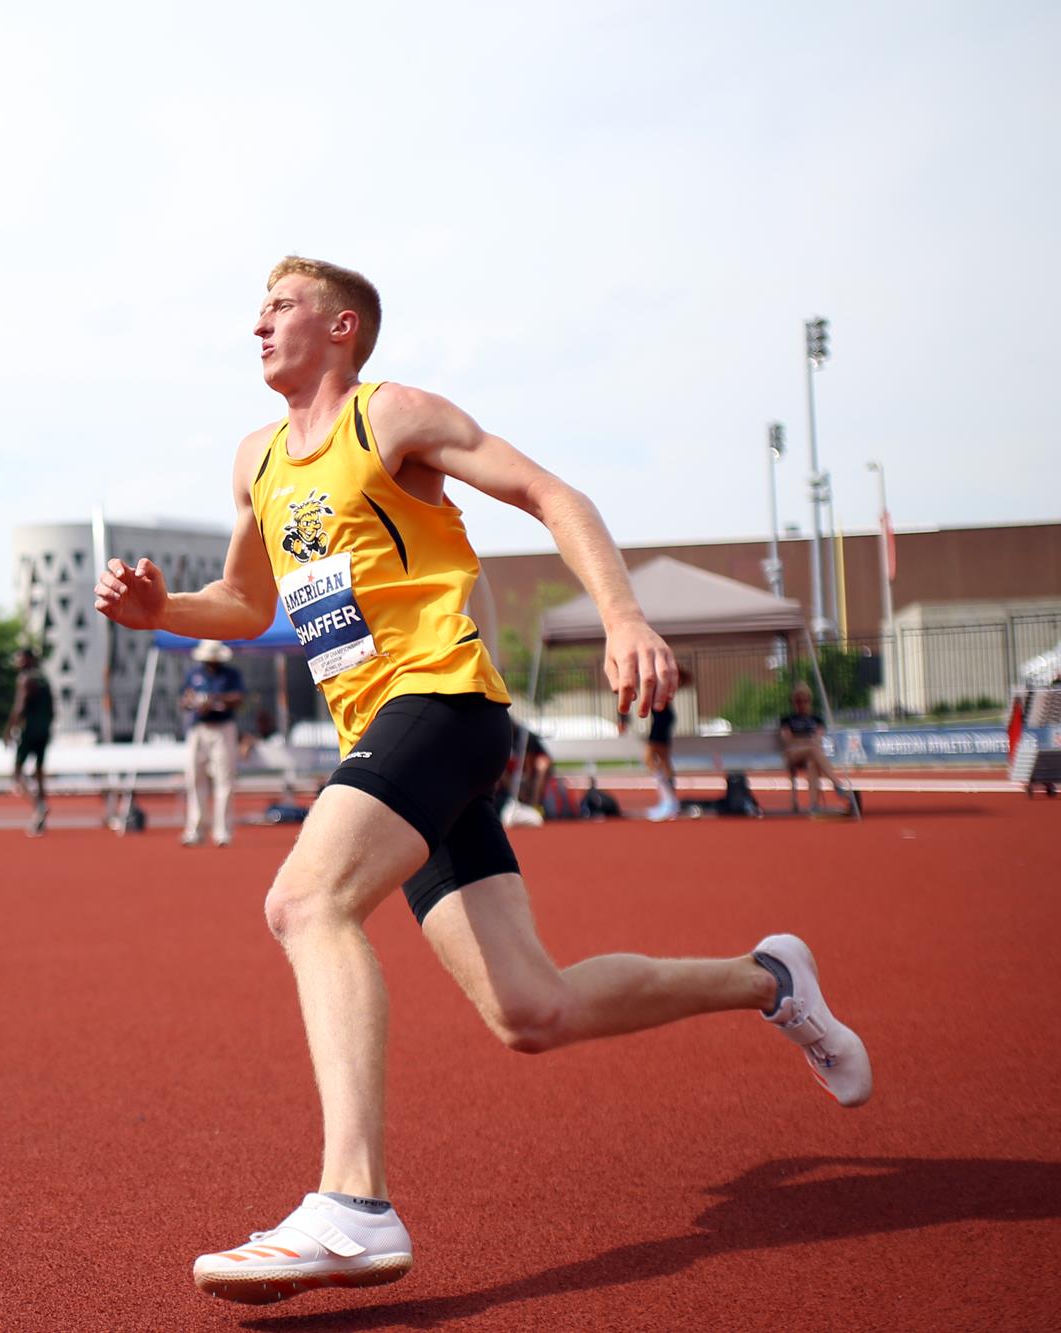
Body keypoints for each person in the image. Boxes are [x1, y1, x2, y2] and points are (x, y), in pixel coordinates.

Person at [94, 256, 873, 1305]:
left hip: (443, 703)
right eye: (255, 309)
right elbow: (241, 602)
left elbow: (552, 493)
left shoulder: (395, 417)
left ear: (341, 326)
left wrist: (625, 616)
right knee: (531, 1010)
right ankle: (769, 980)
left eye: (277, 307)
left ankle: (353, 1204)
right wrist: (160, 616)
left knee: (303, 900)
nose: (256, 325)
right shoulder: (255, 462)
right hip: (380, 729)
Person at [180, 640, 245, 846]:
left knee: (223, 780)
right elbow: (184, 698)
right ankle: (195, 829)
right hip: (199, 728)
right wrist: (194, 702)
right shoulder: (194, 674)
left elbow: (239, 697)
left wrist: (215, 699)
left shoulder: (230, 675)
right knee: (194, 779)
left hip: (222, 728)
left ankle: (222, 831)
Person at [621, 664, 690, 821]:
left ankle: (669, 801)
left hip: (662, 718)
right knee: (663, 761)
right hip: (661, 718)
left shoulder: (659, 675)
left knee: (651, 758)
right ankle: (669, 802)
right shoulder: (654, 676)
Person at [778, 683, 851, 813]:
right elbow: (788, 740)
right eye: (798, 701)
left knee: (812, 761)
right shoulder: (787, 719)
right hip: (793, 754)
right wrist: (806, 741)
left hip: (810, 753)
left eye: (804, 701)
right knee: (812, 749)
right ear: (793, 702)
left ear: (809, 701)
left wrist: (803, 740)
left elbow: (818, 737)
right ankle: (837, 783)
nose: (801, 704)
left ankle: (814, 805)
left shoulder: (817, 719)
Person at [4, 647, 53, 836]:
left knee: (17, 774)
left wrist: (8, 729)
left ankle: (39, 806)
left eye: (20, 659)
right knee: (39, 772)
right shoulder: (44, 678)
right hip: (44, 730)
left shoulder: (25, 679)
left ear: (28, 660)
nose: (17, 662)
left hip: (29, 730)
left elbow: (20, 705)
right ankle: (40, 819)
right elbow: (52, 706)